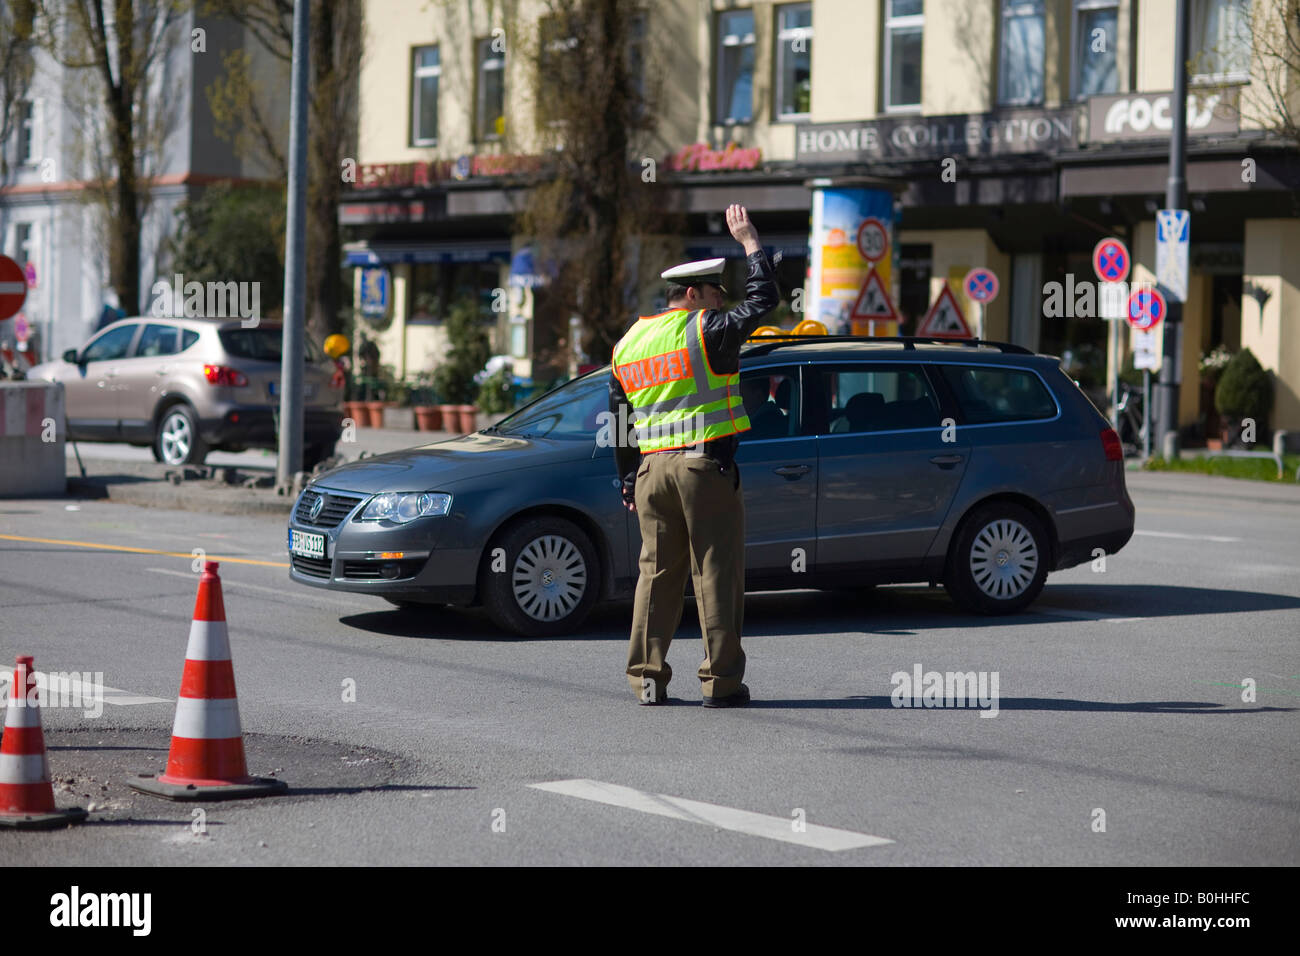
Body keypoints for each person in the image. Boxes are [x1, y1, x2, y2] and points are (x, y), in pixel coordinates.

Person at [609, 204, 779, 708]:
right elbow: (764, 298)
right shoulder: (706, 330)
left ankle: (645, 678)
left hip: (650, 472)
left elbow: (619, 420)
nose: (719, 304)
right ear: (691, 294)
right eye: (712, 294)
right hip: (703, 467)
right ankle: (721, 683)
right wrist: (750, 243)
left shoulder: (628, 344)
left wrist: (626, 481)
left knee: (656, 575)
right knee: (716, 572)